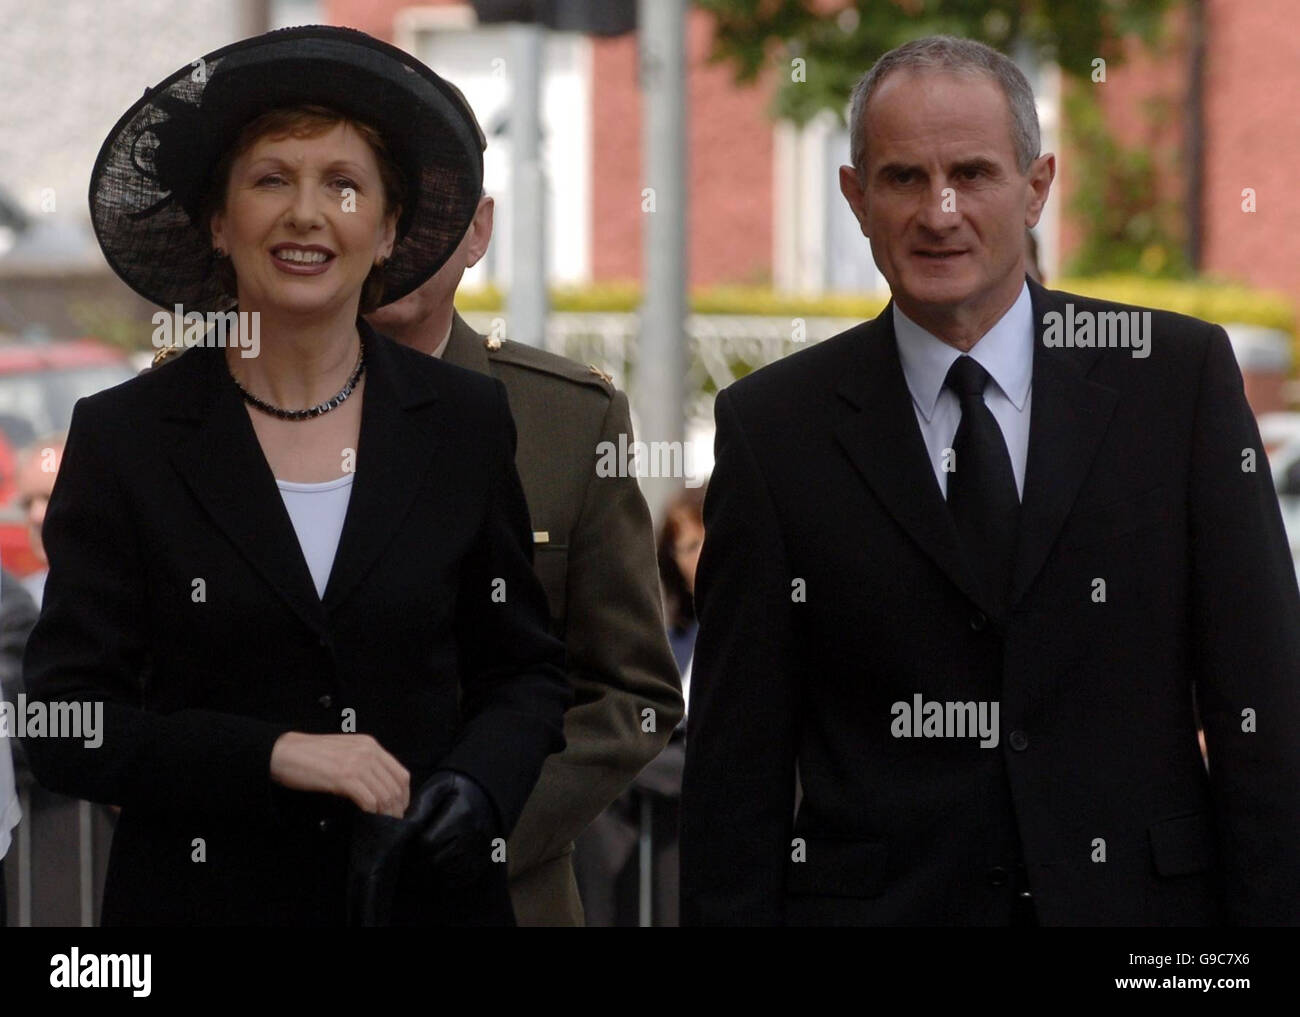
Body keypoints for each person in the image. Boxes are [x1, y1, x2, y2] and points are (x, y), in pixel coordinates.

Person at [681, 35, 1300, 926]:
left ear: (1037, 186)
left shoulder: (1174, 381)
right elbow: (735, 771)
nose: (940, 212)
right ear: (855, 196)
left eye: (972, 174)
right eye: (904, 178)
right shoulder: (774, 429)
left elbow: (1264, 708)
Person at [22, 25, 569, 926]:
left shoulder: (463, 422)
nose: (307, 213)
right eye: (272, 179)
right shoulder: (127, 437)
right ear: (218, 220)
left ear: (387, 230)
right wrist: (277, 753)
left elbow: (523, 672)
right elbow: (65, 724)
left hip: (420, 903)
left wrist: (478, 786)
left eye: (343, 185)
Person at [366, 119, 683, 924]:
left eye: (430, 206)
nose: (401, 235)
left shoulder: (565, 418)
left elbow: (632, 692)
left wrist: (491, 812)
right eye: (369, 196)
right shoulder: (222, 411)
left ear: (479, 230)